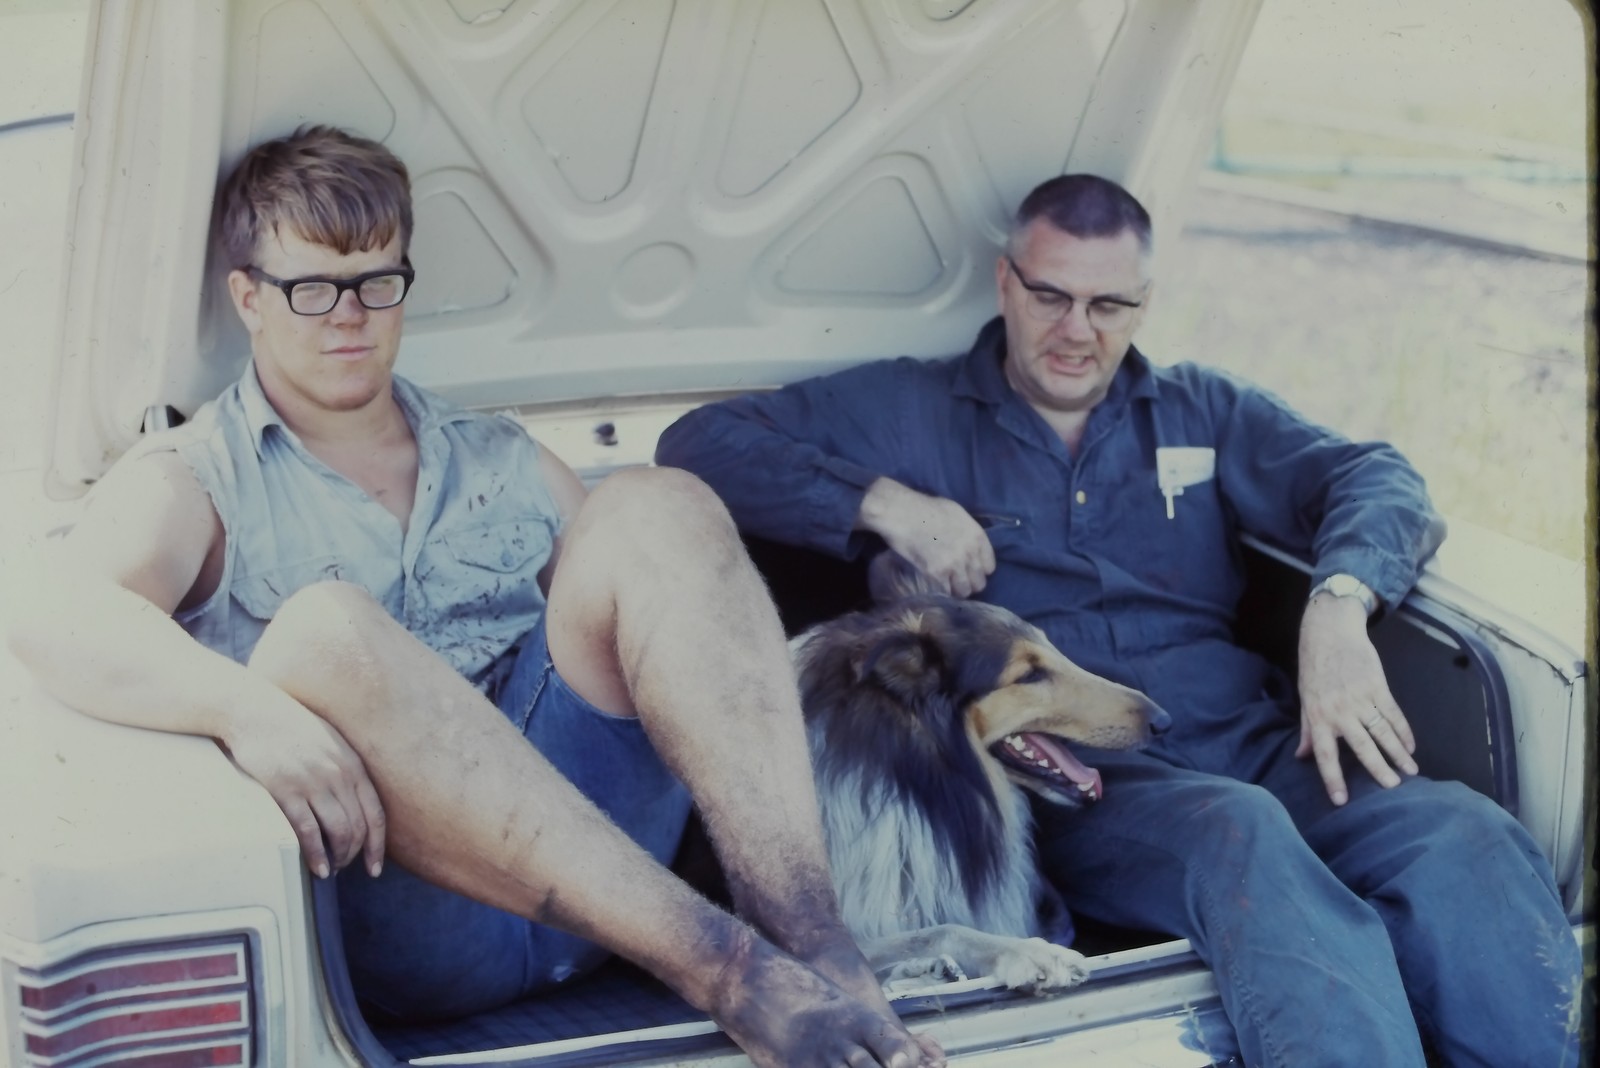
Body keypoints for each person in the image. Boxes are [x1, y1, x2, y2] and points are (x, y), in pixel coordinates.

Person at [5, 125, 945, 1068]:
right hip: (410, 917)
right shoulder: (195, 477)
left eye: (378, 280)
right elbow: (52, 611)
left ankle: (820, 949)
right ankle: (739, 978)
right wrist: (246, 708)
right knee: (323, 633)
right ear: (247, 297)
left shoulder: (500, 456)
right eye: (312, 288)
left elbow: (664, 629)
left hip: (609, 887)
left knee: (656, 505)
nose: (351, 315)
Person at [655, 173, 1583, 1067]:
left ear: (1144, 303)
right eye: (1050, 295)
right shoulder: (914, 410)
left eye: (1109, 307)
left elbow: (1377, 477)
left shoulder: (1203, 410)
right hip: (1080, 781)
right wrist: (886, 502)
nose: (1075, 332)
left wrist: (1337, 612)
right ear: (1005, 282)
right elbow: (697, 445)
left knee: (1461, 832)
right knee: (1240, 831)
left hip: (1253, 741)